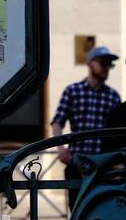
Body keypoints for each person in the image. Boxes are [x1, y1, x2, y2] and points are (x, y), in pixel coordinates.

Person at [51, 45, 121, 210]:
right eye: (103, 63)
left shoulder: (113, 96)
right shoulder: (72, 91)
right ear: (90, 64)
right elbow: (57, 122)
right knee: (77, 212)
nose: (107, 68)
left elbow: (117, 132)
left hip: (103, 165)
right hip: (77, 163)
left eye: (110, 64)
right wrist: (60, 148)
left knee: (101, 211)